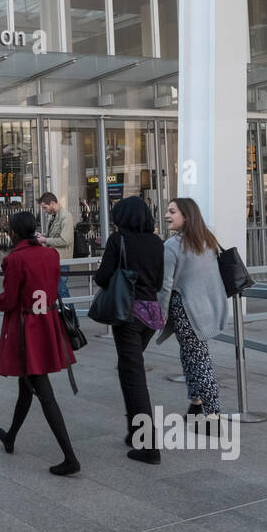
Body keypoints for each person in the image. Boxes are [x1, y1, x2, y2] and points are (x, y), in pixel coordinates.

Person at [0, 211, 80, 476]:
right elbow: (51, 289)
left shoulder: (15, 259)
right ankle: (10, 436)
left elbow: (9, 300)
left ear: (14, 232)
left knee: (42, 390)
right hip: (47, 323)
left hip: (26, 328)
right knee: (27, 384)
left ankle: (70, 457)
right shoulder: (50, 255)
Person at [95, 196, 166, 465]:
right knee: (128, 369)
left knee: (133, 375)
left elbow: (103, 277)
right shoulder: (157, 242)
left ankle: (149, 445)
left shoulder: (118, 240)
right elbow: (159, 282)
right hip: (150, 314)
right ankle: (135, 432)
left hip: (126, 313)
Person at [157, 198, 228, 425]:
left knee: (199, 359)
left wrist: (161, 312)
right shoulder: (208, 241)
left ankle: (213, 415)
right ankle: (196, 404)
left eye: (172, 211)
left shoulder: (171, 246)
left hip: (185, 309)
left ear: (186, 216)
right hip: (207, 307)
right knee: (190, 355)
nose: (167, 215)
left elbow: (166, 284)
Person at [36, 192, 74, 299]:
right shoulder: (54, 217)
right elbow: (54, 236)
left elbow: (65, 240)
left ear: (52, 203)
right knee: (57, 291)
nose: (44, 210)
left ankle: (70, 314)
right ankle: (64, 314)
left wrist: (45, 240)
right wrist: (43, 236)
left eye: (45, 207)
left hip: (62, 260)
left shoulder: (66, 217)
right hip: (55, 259)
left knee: (61, 291)